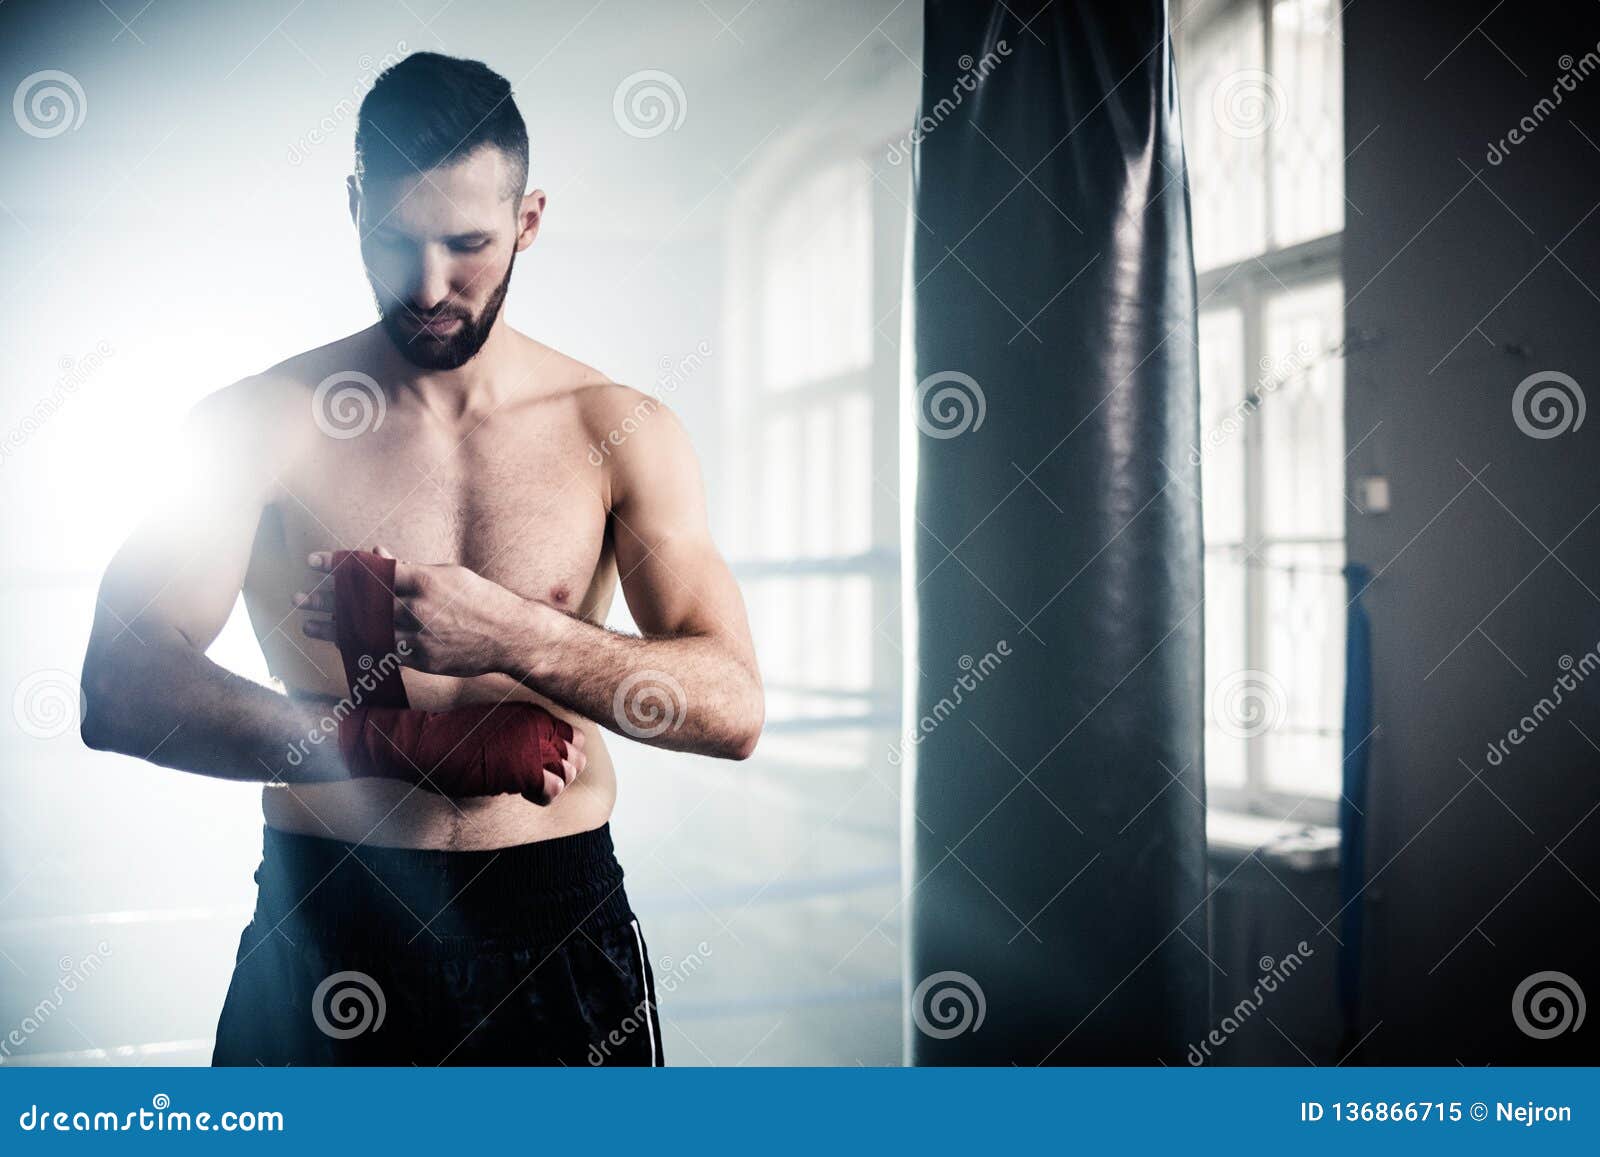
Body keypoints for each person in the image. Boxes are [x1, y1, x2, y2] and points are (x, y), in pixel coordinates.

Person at [77, 51, 763, 1066]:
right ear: (353, 203)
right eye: (395, 239)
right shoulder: (258, 425)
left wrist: (516, 632)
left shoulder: (617, 428)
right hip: (327, 913)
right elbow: (120, 687)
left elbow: (732, 707)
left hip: (554, 923)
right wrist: (382, 750)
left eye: (470, 243)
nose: (430, 285)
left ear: (528, 221)